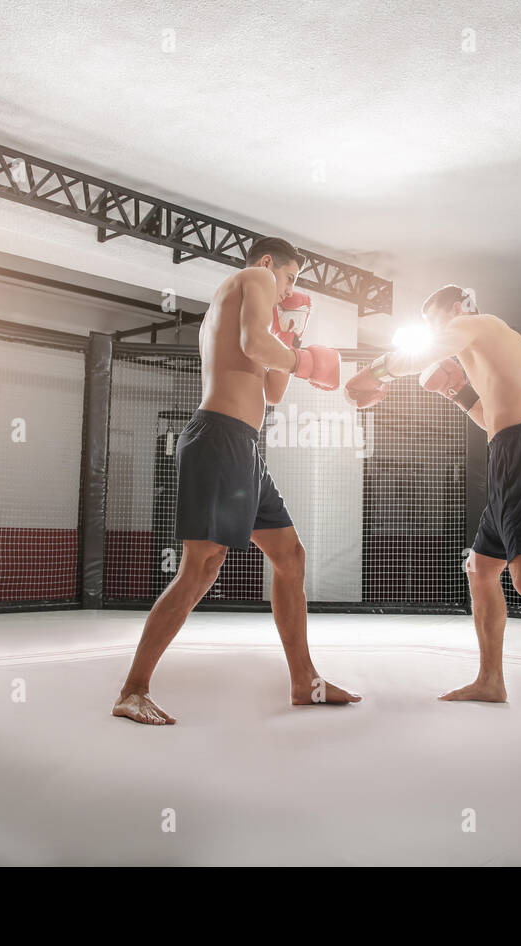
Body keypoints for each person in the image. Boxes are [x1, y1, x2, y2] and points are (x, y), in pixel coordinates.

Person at [345, 284, 521, 732]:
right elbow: (490, 418)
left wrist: (370, 374)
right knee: (481, 569)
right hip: (506, 452)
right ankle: (490, 679)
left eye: (436, 323)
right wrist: (459, 392)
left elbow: (414, 358)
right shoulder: (486, 351)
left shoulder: (477, 324)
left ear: (458, 310)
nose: (437, 332)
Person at [113, 237, 361, 725]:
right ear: (270, 263)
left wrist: (290, 341)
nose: (288, 290)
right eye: (291, 278)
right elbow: (252, 345)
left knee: (290, 557)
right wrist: (308, 362)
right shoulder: (254, 277)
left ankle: (303, 682)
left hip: (244, 447)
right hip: (218, 439)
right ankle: (133, 689)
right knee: (201, 568)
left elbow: (270, 390)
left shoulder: (256, 312)